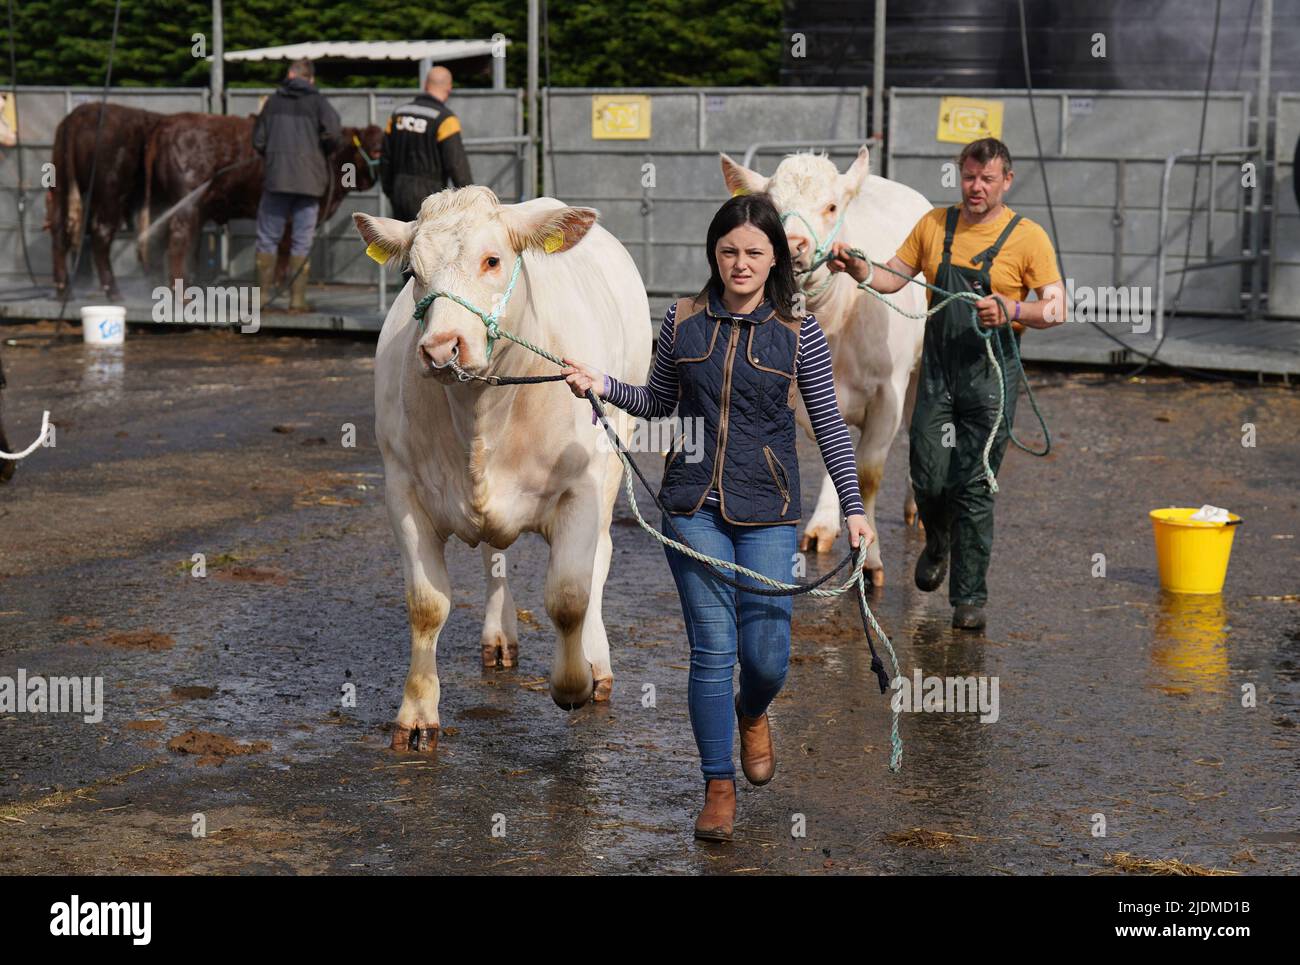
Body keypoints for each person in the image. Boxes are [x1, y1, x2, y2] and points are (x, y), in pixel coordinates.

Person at [560, 193, 873, 843]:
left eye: (755, 252)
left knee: (767, 656)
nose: (741, 262)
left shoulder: (797, 329)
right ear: (714, 252)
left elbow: (831, 430)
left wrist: (854, 508)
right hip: (691, 508)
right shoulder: (682, 320)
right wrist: (600, 384)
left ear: (774, 259)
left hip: (767, 511)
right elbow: (654, 401)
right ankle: (718, 785)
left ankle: (753, 710)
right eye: (729, 250)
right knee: (712, 648)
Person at [828, 137, 1066, 632]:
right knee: (929, 475)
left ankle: (968, 597)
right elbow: (893, 277)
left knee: (974, 486)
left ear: (1007, 180)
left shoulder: (1028, 238)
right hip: (938, 374)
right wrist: (858, 268)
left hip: (990, 375)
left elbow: (1057, 307)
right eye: (969, 177)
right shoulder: (935, 225)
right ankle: (938, 539)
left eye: (988, 179)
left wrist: (1014, 310)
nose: (976, 187)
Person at [251, 58, 342, 313]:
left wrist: (274, 157)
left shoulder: (272, 102)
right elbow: (335, 134)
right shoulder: (319, 103)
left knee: (267, 238)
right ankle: (297, 301)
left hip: (276, 180)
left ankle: (261, 300)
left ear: (290, 74)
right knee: (301, 241)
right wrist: (322, 150)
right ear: (310, 79)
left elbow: (257, 140)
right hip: (309, 182)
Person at [380, 65, 474, 223]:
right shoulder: (446, 119)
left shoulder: (398, 114)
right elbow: (457, 166)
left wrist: (391, 189)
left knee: (403, 244)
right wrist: (471, 202)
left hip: (399, 191)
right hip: (431, 197)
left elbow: (385, 159)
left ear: (425, 85)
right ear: (449, 88)